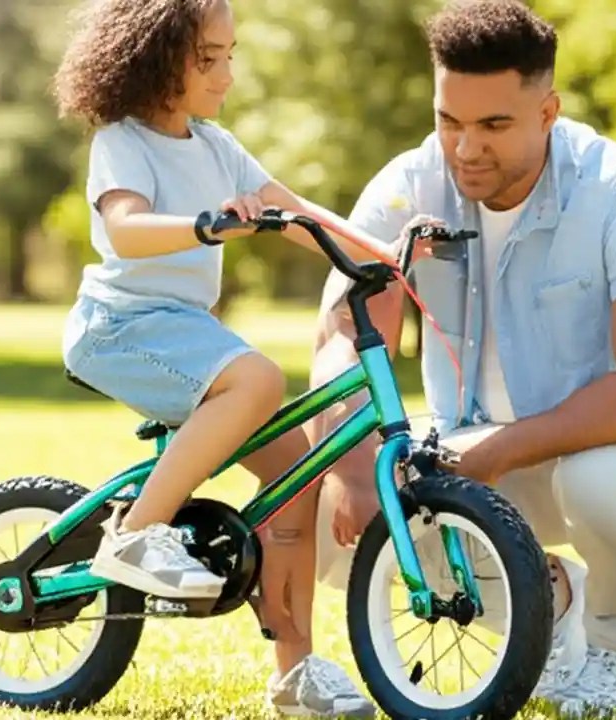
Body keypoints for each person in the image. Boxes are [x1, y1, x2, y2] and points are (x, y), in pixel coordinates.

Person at [306, 0, 616, 715]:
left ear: (548, 112)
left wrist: (501, 451)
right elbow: (343, 334)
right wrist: (354, 471)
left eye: (494, 125)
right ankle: (549, 601)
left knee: (601, 481)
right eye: (451, 121)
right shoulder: (408, 183)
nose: (466, 148)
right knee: (328, 508)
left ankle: (615, 653)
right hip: (478, 446)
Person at [52, 0, 383, 715]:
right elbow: (126, 229)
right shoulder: (124, 141)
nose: (227, 73)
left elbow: (300, 214)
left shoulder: (217, 146)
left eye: (231, 54)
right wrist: (204, 227)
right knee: (259, 378)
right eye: (210, 57)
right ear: (157, 55)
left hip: (184, 331)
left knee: (299, 470)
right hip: (120, 326)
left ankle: (295, 676)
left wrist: (392, 252)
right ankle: (137, 532)